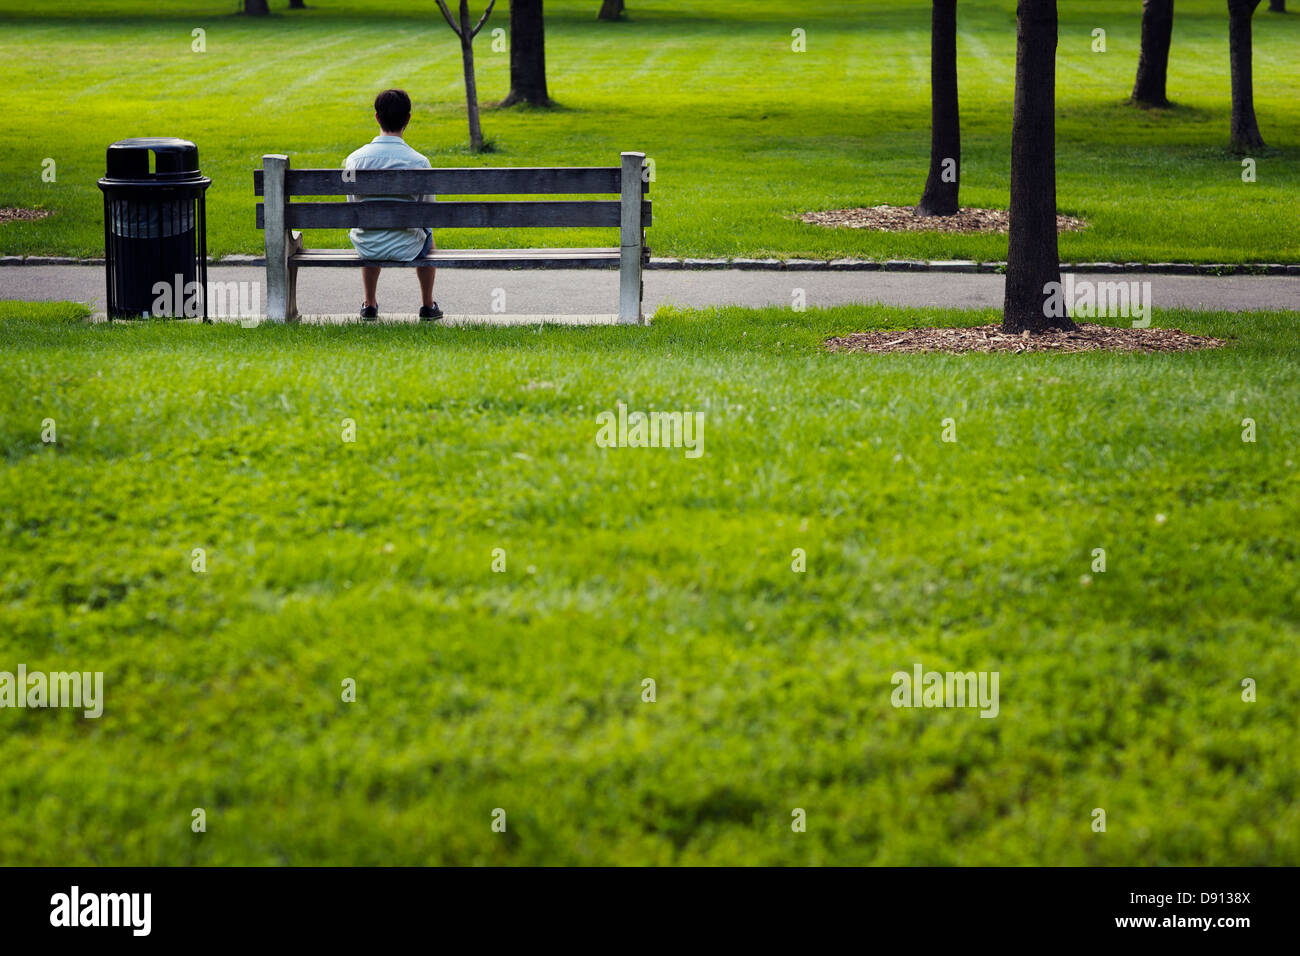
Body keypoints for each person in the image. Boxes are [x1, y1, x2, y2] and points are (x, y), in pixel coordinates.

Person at [344, 89, 442, 322]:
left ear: (377, 117)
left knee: (368, 226)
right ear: (408, 119)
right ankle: (428, 305)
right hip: (408, 245)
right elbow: (428, 212)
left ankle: (369, 304)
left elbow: (352, 206)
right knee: (429, 236)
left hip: (367, 246)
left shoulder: (355, 160)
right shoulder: (419, 162)